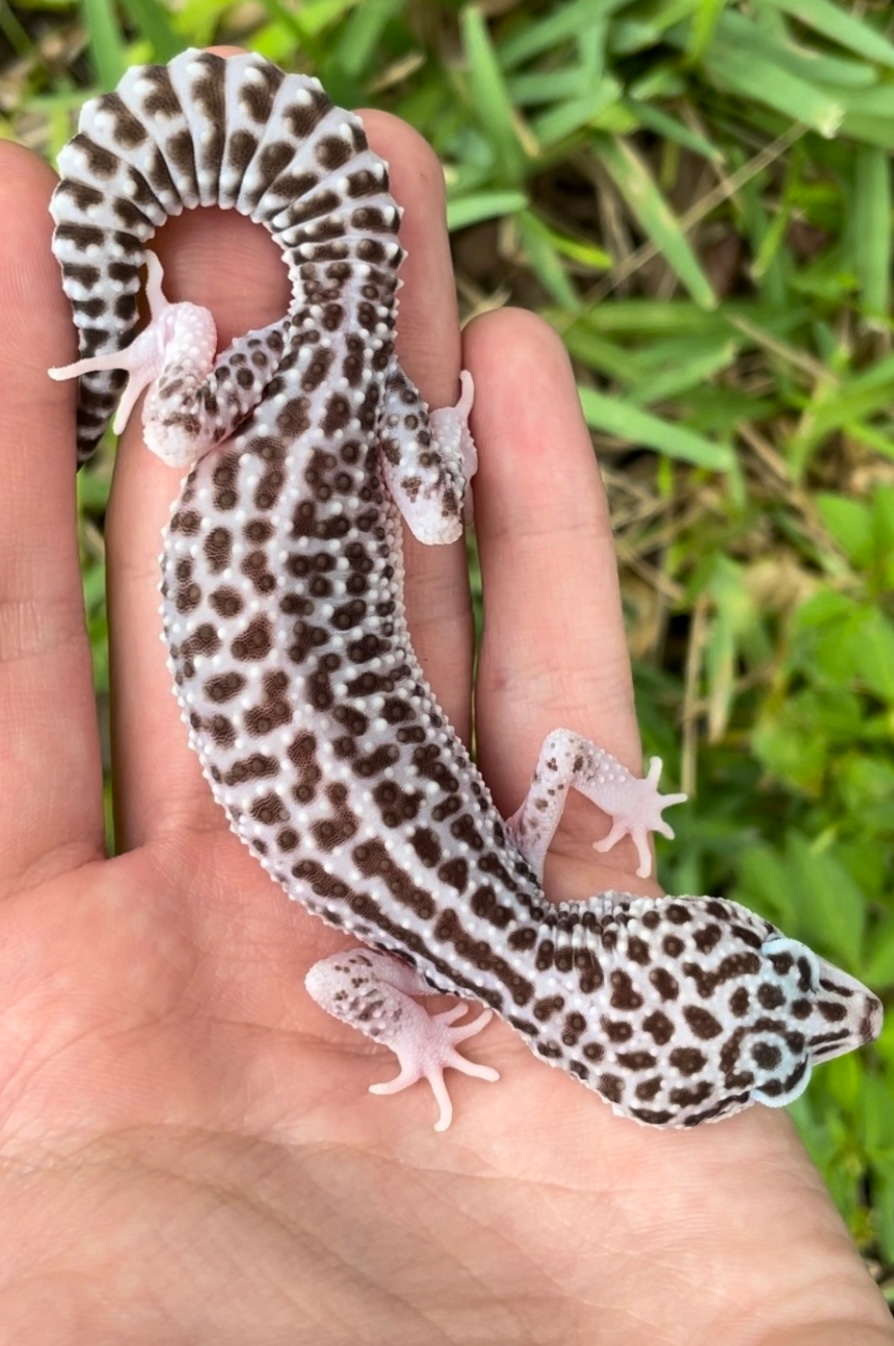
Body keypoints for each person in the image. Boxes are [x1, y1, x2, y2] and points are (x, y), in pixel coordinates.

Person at [0, 84, 890, 1344]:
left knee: (426, 513)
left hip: (292, 467)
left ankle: (174, 343)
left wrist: (624, 798)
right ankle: (176, 348)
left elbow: (574, 754)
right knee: (375, 481)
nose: (850, 1007)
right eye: (792, 989)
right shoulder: (442, 943)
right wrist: (416, 1023)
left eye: (781, 1022)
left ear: (671, 938)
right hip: (274, 486)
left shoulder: (519, 861)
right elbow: (336, 971)